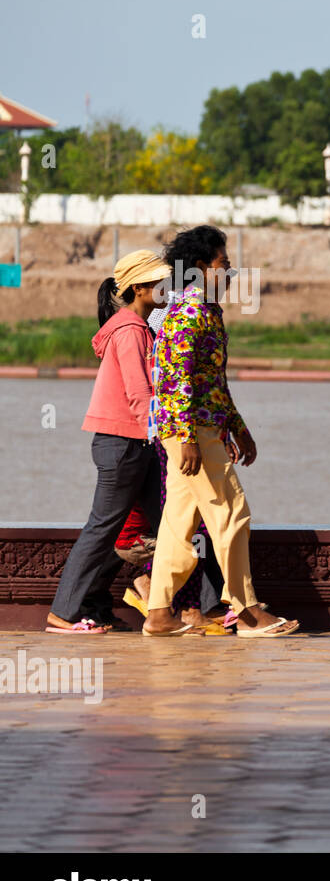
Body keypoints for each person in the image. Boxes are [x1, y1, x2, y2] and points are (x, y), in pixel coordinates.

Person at [140, 225, 298, 637]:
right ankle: (245, 611)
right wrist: (188, 437)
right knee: (232, 512)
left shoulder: (206, 311)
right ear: (199, 268)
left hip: (201, 428)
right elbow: (174, 380)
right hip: (192, 432)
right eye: (223, 265)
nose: (230, 274)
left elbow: (211, 383)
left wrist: (238, 428)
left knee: (179, 523)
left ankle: (158, 614)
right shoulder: (188, 313)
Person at [46, 252, 173, 634]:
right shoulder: (131, 330)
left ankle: (96, 605)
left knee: (166, 523)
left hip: (134, 444)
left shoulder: (137, 326)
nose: (167, 290)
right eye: (160, 284)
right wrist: (165, 435)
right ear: (139, 288)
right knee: (103, 528)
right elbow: (139, 394)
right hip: (124, 443)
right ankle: (63, 613)